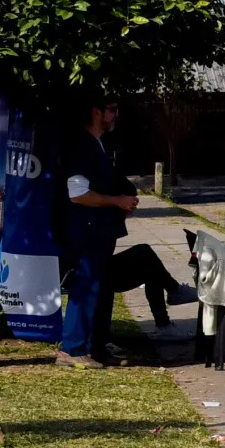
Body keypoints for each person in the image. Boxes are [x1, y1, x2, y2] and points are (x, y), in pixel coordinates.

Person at [58, 97, 138, 368]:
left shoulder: (96, 144)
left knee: (101, 288)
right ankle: (72, 348)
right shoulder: (82, 145)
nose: (116, 115)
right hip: (88, 230)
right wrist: (117, 201)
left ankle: (94, 347)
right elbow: (77, 193)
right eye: (112, 110)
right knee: (86, 285)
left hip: (100, 230)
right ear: (96, 112)